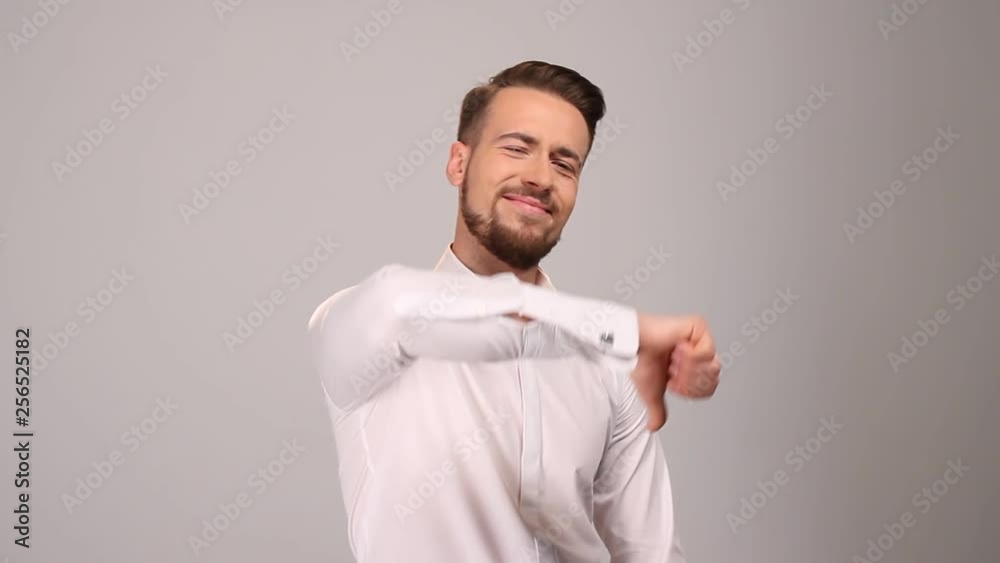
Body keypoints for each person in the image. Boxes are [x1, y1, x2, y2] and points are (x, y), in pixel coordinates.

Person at [307, 60, 721, 563]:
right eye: (516, 148)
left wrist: (614, 346)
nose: (540, 177)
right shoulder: (358, 331)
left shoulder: (609, 374)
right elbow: (399, 301)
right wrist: (627, 332)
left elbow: (651, 554)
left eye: (565, 164)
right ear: (458, 162)